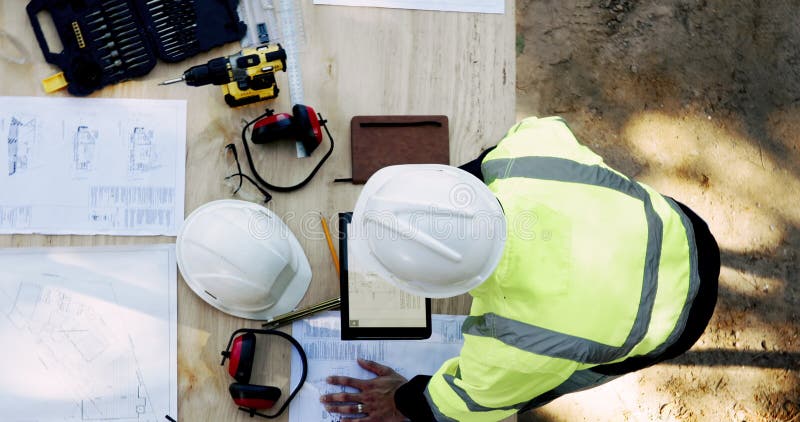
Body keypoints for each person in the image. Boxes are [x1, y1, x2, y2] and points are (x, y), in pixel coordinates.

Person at [319, 116, 720, 421]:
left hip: (673, 321)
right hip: (681, 229)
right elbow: (492, 161)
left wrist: (399, 401)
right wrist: (439, 205)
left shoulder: (508, 348)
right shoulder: (529, 146)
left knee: (535, 384)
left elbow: (460, 406)